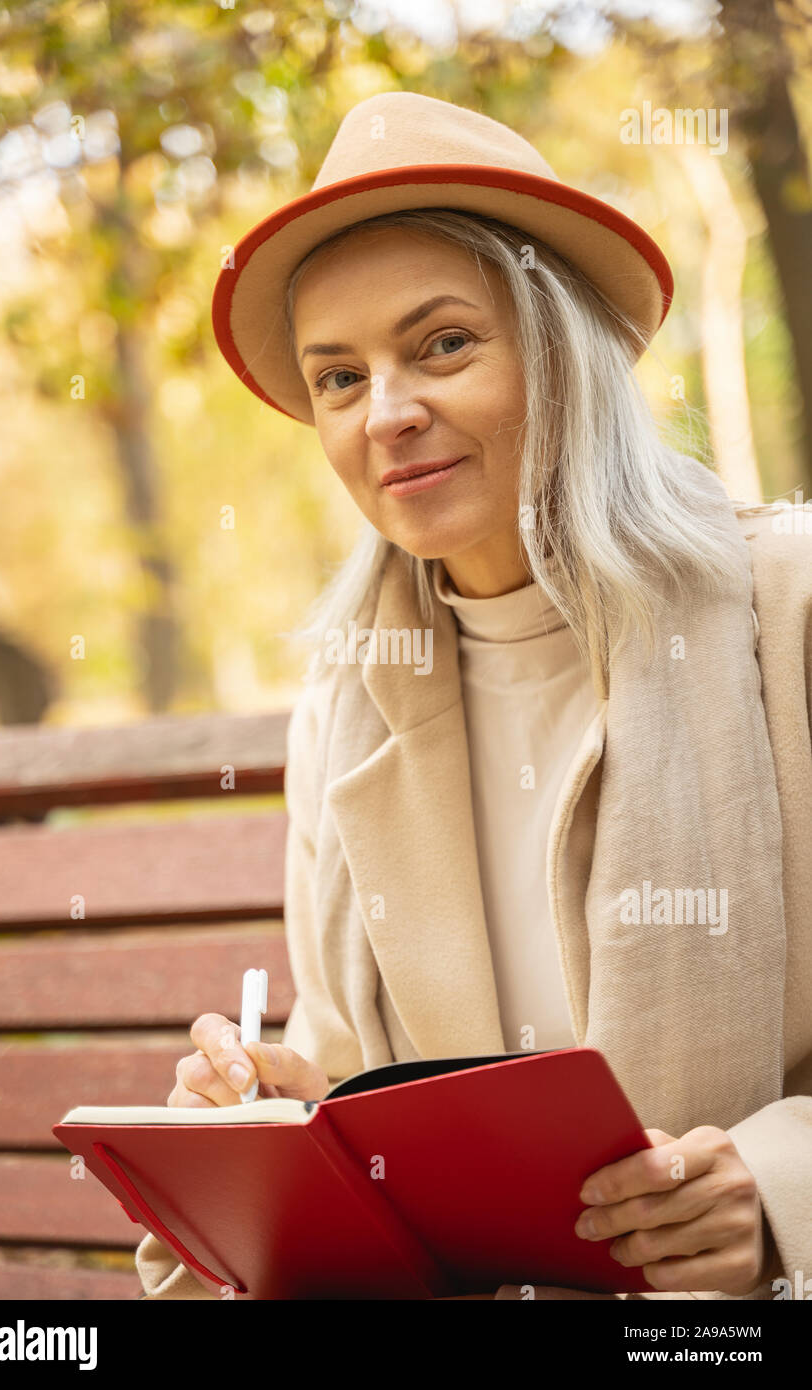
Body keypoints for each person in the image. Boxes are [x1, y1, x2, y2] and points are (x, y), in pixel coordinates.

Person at [136, 91, 812, 1301]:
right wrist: (276, 1126)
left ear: (558, 349)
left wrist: (773, 1194)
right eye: (336, 377)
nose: (385, 413)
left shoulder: (788, 609)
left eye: (441, 343)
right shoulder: (349, 701)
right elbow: (348, 1071)